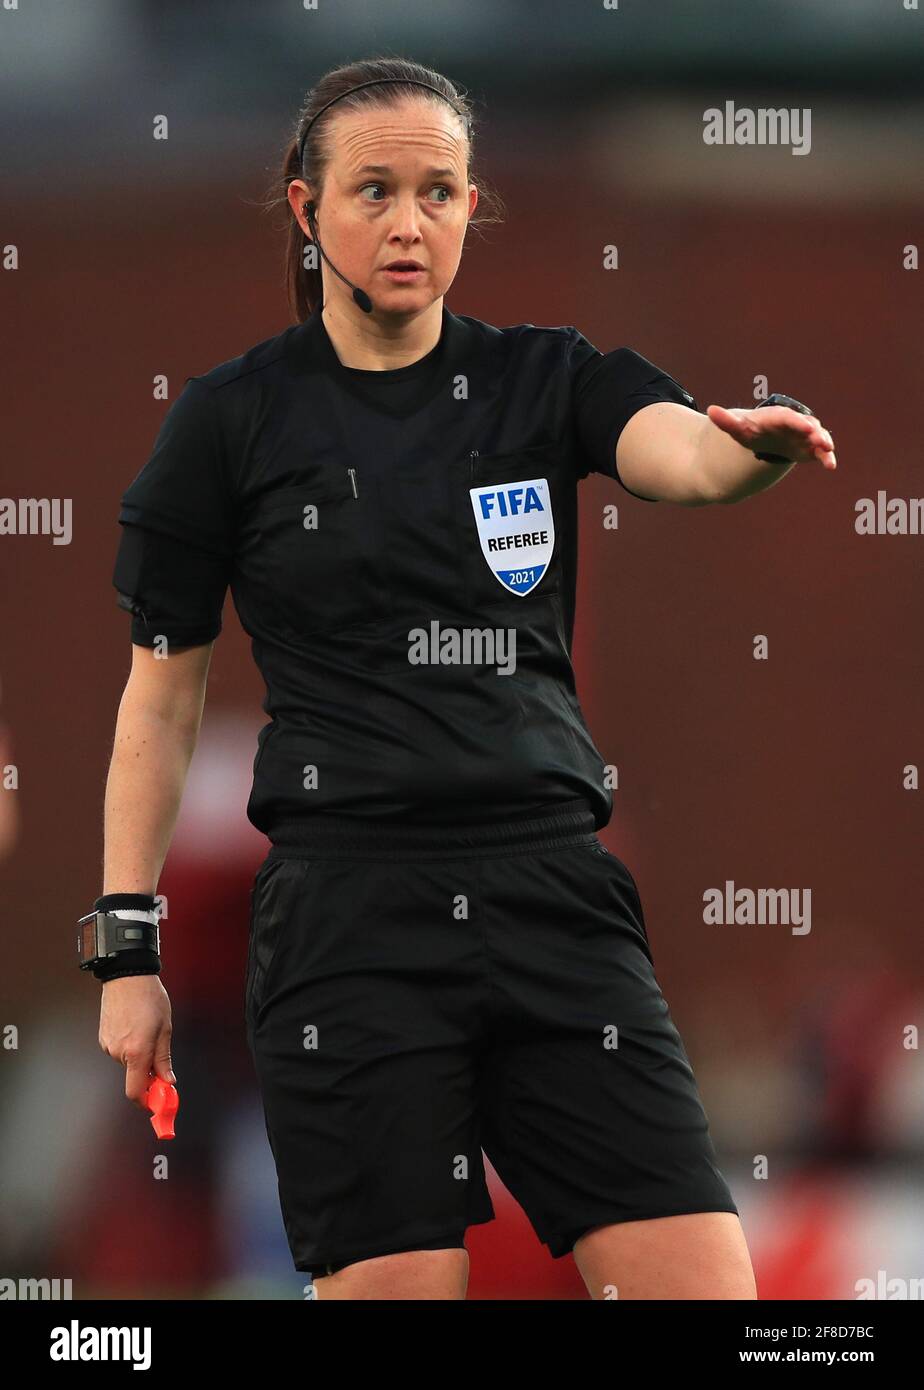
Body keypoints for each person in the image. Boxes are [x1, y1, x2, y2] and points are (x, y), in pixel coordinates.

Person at [90, 55, 836, 1301]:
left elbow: (681, 456)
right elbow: (156, 710)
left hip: (554, 900)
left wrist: (746, 453)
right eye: (373, 190)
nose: (407, 222)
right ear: (304, 208)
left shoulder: (546, 378)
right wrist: (126, 953)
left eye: (438, 192)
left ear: (471, 204)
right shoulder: (230, 425)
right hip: (349, 924)